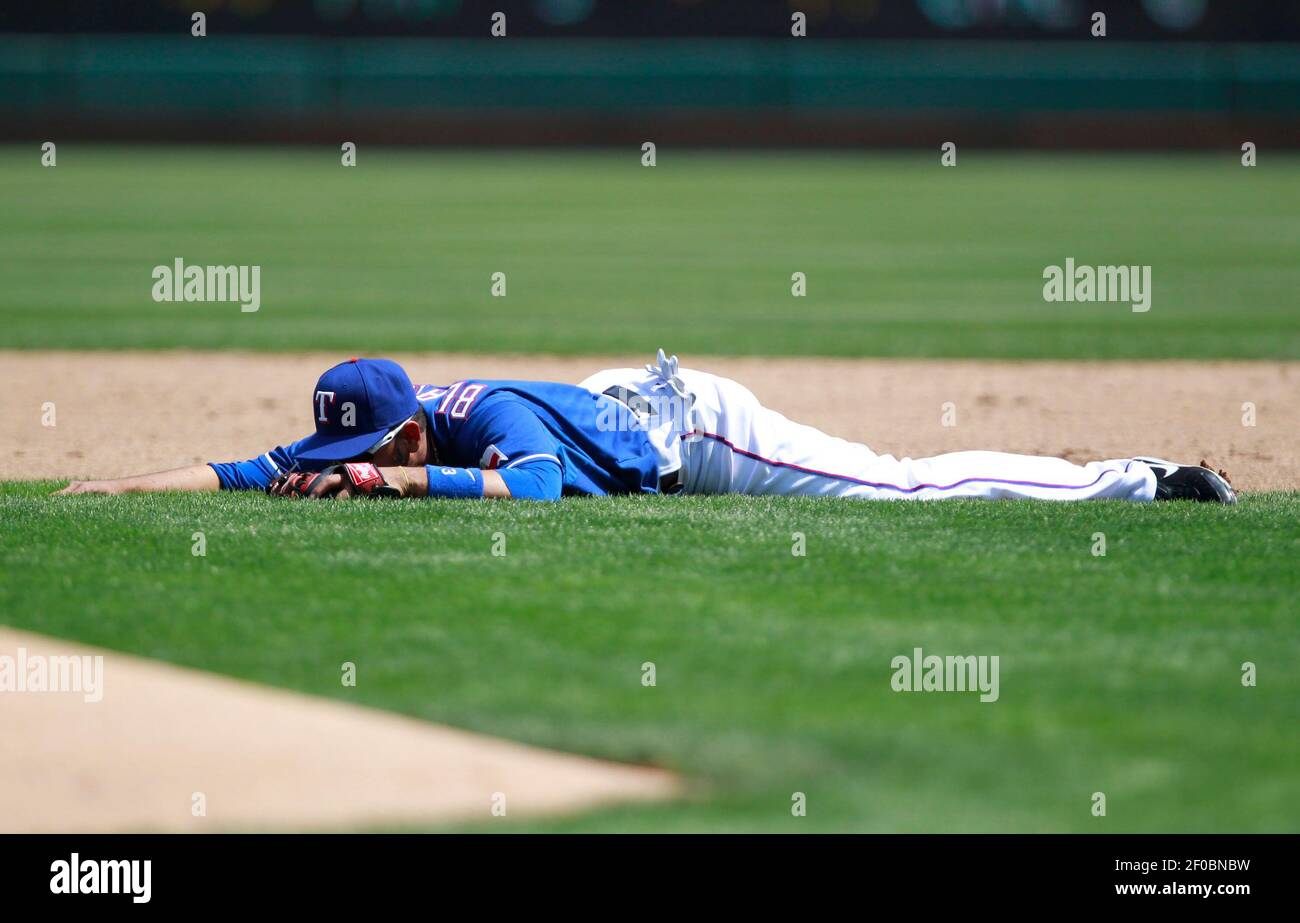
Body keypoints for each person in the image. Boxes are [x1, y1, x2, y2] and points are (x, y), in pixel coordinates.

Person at [56, 351, 1236, 504]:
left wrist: (391, 492)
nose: (336, 463)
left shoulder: (483, 424)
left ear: (409, 438)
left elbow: (529, 492)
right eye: (337, 450)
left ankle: (1142, 481)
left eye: (358, 449)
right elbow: (240, 467)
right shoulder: (405, 418)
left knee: (899, 489)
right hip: (612, 403)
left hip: (696, 428)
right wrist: (112, 492)